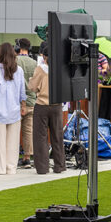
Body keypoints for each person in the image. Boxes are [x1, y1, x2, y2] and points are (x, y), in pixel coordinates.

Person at [0, 43, 27, 174]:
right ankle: (11, 168)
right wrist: (23, 106)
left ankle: (0, 168)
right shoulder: (19, 70)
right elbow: (22, 91)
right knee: (13, 143)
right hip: (14, 110)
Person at [28, 45, 66, 174]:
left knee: (40, 138)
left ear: (43, 56)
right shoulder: (60, 69)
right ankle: (59, 165)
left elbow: (32, 87)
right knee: (57, 136)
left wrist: (31, 81)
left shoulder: (40, 69)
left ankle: (43, 168)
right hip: (57, 106)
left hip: (42, 105)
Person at [15, 38, 38, 168]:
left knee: (14, 130)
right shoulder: (34, 63)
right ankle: (27, 157)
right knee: (28, 131)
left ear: (18, 47)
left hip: (18, 101)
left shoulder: (15, 61)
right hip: (32, 100)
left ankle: (13, 156)